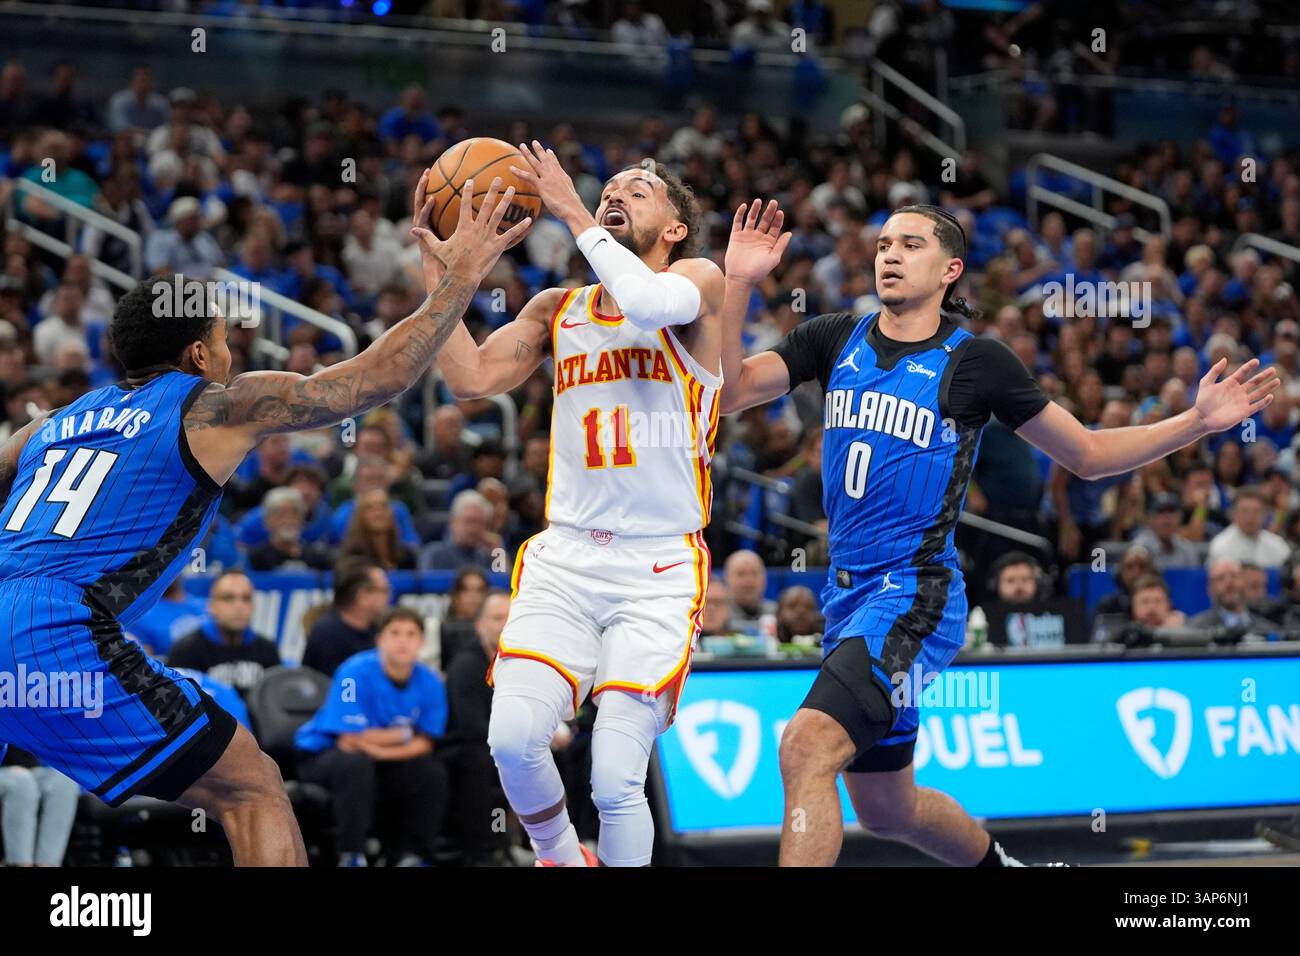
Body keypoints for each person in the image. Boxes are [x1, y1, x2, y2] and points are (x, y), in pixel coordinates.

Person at [718, 198, 1278, 867]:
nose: (889, 254)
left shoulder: (977, 361)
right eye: (884, 243)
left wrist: (1195, 422)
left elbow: (1089, 456)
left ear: (951, 268)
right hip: (846, 600)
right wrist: (740, 284)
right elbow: (728, 393)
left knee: (806, 745)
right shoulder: (836, 336)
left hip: (913, 595)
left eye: (910, 245)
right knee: (887, 808)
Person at [0, 178, 527, 866]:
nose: (230, 355)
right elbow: (375, 380)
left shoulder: (47, 427)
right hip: (55, 628)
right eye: (222, 342)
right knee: (252, 788)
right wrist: (459, 281)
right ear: (196, 356)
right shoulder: (213, 404)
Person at [412, 147, 724, 866]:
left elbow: (646, 302)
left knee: (617, 778)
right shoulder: (560, 309)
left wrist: (574, 210)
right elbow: (468, 376)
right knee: (512, 739)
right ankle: (558, 856)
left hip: (658, 565)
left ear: (675, 228)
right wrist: (445, 272)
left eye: (639, 191)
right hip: (568, 552)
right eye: (610, 187)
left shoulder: (698, 283)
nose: (618, 192)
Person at [295, 607, 450, 867]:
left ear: (421, 642)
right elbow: (348, 739)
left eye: (411, 634)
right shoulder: (353, 671)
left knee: (431, 772)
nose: (403, 640)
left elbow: (425, 743)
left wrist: (380, 750)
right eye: (395, 633)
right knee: (355, 762)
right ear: (380, 639)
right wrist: (403, 734)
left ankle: (414, 855)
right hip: (321, 754)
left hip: (376, 760)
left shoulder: (430, 681)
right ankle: (352, 854)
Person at [441, 590, 513, 865]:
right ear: (479, 625)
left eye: (511, 618)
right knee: (481, 760)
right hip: (460, 746)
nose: (505, 625)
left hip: (493, 744)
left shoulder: (516, 664)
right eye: (497, 618)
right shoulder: (466, 664)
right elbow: (470, 725)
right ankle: (479, 852)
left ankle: (538, 842)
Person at [166, 570, 283, 698]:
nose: (239, 606)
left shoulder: (267, 650)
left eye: (246, 598)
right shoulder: (186, 651)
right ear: (211, 605)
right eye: (228, 598)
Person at [301, 557, 390, 677]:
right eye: (384, 590)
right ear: (362, 595)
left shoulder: (379, 628)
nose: (388, 596)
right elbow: (344, 688)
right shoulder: (328, 634)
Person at [0, 747, 80, 866]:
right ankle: (19, 863)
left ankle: (47, 863)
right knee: (21, 781)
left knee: (64, 780)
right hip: (8, 772)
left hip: (26, 770)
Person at [1207, 487, 1291, 567]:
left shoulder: (1277, 544)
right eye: (1244, 511)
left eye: (1256, 511)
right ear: (1234, 514)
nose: (1250, 518)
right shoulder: (1220, 545)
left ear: (1265, 514)